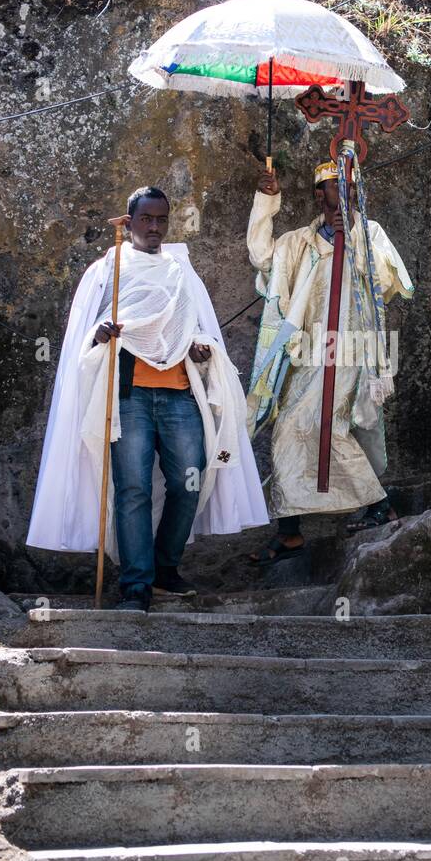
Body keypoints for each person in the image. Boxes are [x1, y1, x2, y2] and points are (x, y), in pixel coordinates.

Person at [27, 186, 268, 610]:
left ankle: (165, 568)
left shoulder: (182, 271)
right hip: (129, 398)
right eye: (146, 219)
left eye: (161, 220)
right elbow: (87, 334)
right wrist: (100, 336)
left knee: (188, 483)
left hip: (179, 396)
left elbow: (198, 327)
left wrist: (199, 347)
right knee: (132, 489)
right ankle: (136, 586)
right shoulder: (109, 270)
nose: (154, 227)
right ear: (130, 220)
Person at [246, 160, 413, 563]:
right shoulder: (299, 242)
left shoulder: (369, 233)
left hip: (353, 349)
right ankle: (292, 530)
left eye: (349, 187)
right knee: (293, 429)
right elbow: (261, 256)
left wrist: (349, 243)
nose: (343, 195)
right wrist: (267, 199)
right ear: (319, 195)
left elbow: (390, 284)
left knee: (317, 425)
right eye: (334, 188)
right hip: (307, 354)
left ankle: (377, 505)